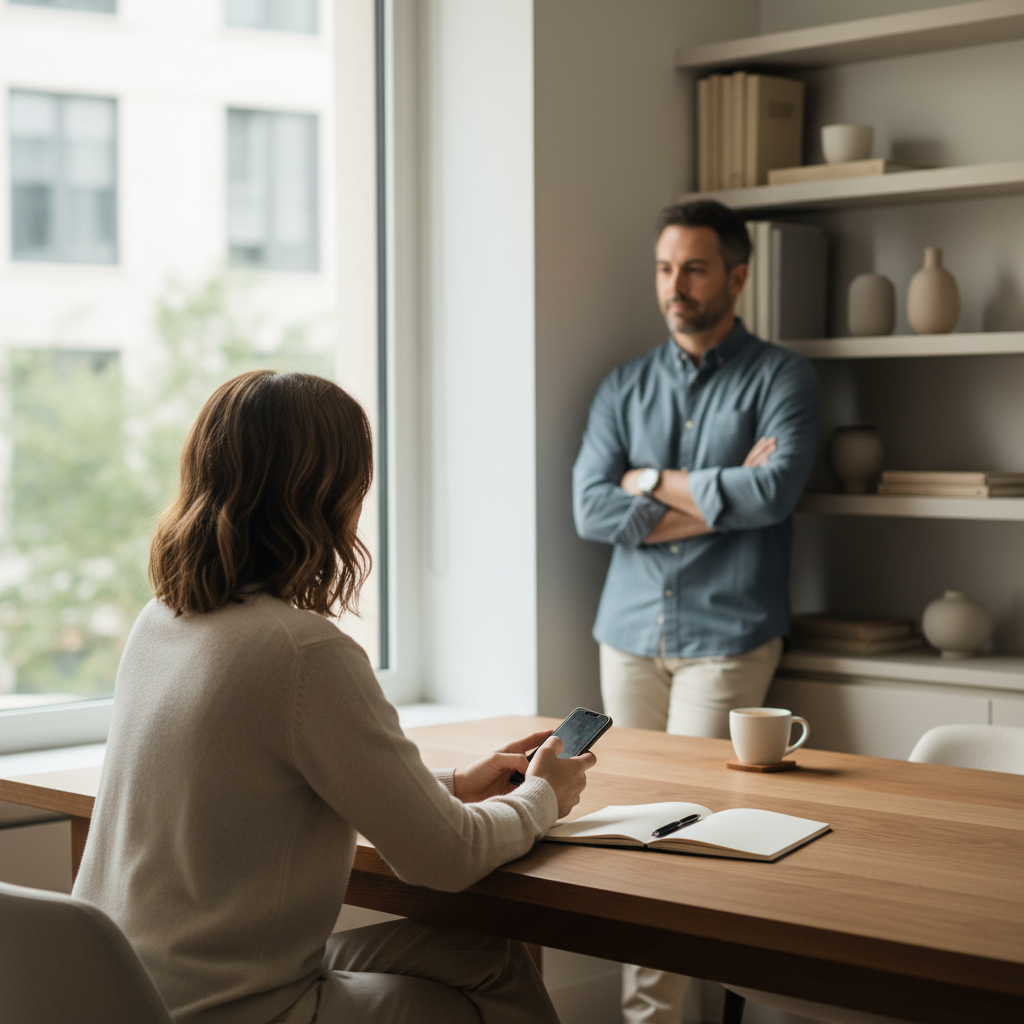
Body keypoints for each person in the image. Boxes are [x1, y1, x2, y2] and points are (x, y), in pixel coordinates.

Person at [74, 370, 594, 1024]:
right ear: (328, 496)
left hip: (119, 990)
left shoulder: (161, 622)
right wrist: (543, 794)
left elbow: (255, 781)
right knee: (481, 975)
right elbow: (446, 859)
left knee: (480, 952)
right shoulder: (302, 652)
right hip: (236, 1009)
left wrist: (454, 784)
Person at [572, 200, 819, 1024]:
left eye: (696, 268)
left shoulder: (781, 377)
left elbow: (776, 490)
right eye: (664, 268)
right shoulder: (623, 384)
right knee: (630, 831)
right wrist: (722, 496)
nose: (675, 286)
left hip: (727, 636)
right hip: (630, 635)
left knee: (695, 838)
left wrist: (646, 481)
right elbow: (588, 510)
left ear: (738, 276)